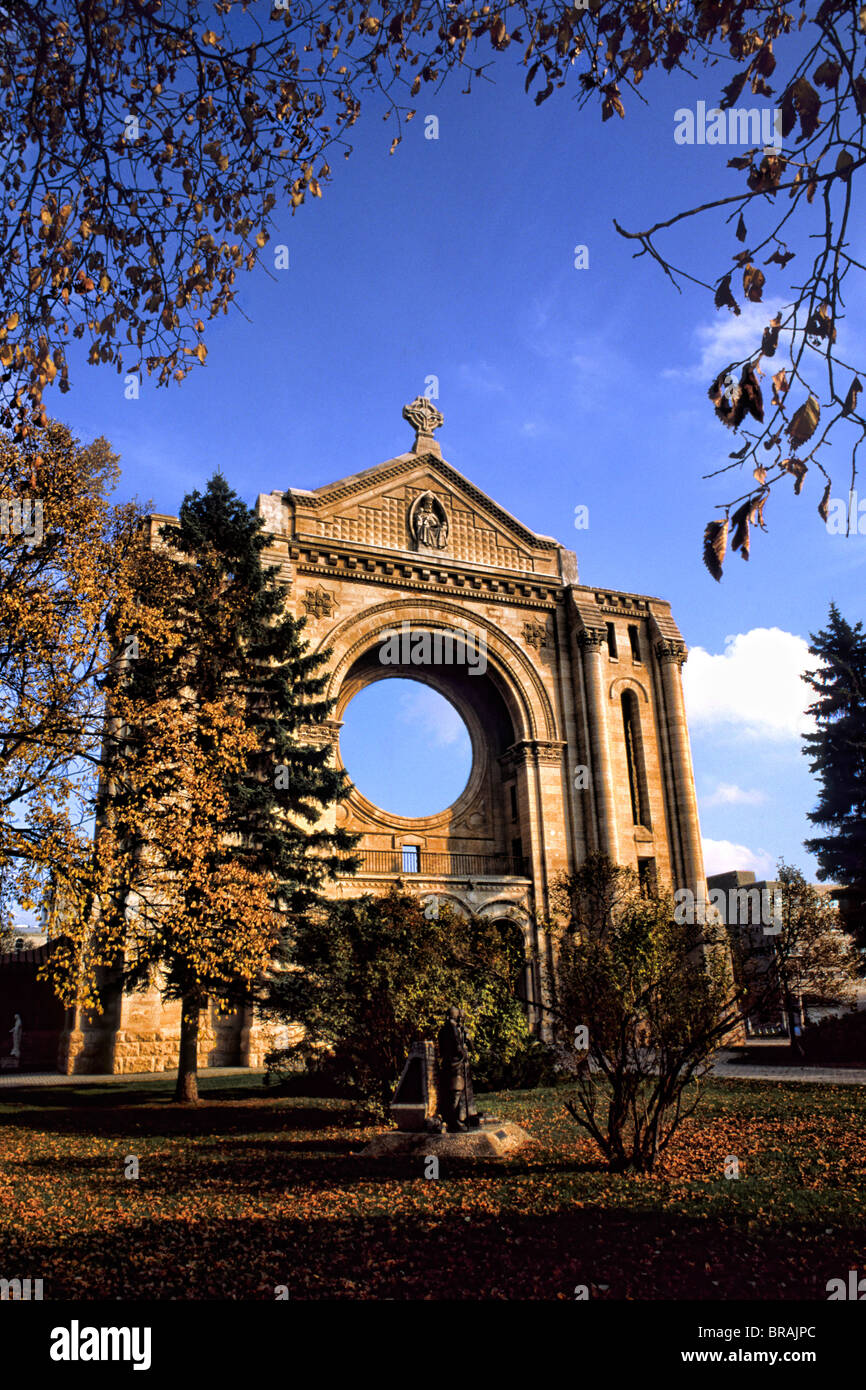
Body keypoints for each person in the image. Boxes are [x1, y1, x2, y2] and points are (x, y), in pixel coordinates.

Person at [437, 1006, 475, 1132]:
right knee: (456, 1091)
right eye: (458, 1015)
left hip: (450, 1063)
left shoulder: (447, 1029)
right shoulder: (451, 1028)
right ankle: (452, 1120)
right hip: (455, 1063)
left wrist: (466, 1036)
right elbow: (457, 1047)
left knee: (458, 1092)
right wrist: (465, 1055)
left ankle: (460, 1117)